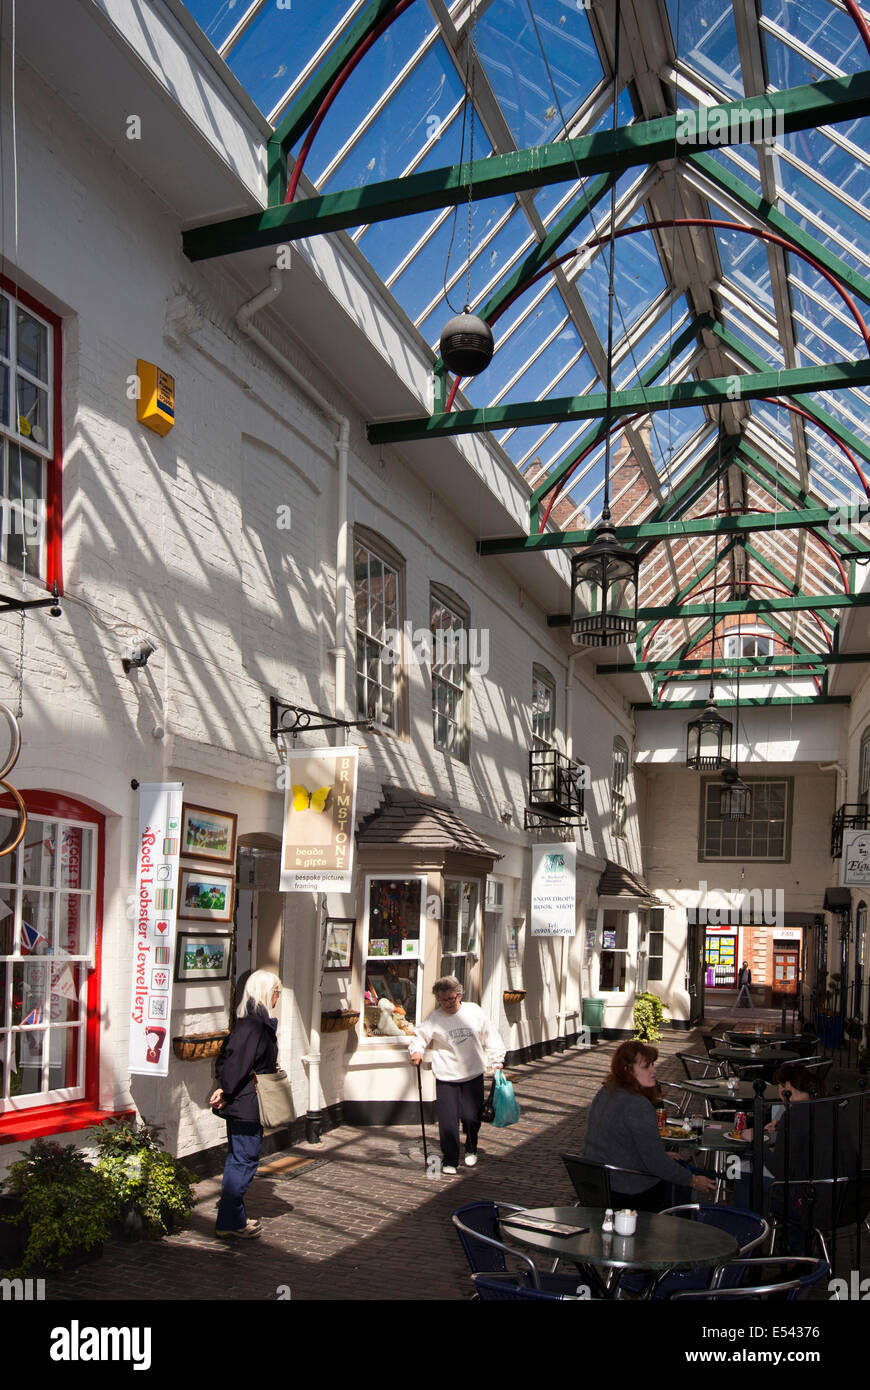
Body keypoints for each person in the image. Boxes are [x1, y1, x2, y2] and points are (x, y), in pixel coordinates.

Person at [582, 1040, 716, 1212]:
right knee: (679, 1183)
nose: (654, 1070)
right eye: (646, 1067)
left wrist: (660, 1154)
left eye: (652, 1064)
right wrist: (694, 1180)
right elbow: (657, 1164)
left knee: (675, 1168)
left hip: (596, 1185)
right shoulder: (638, 1105)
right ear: (627, 1070)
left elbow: (614, 1143)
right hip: (627, 1191)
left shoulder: (606, 1092)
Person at [744, 1061, 858, 1249]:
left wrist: (757, 1141)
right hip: (844, 1197)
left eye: (780, 1087)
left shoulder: (795, 1114)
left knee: (745, 1177)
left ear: (787, 1087)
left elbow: (780, 1170)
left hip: (811, 1202)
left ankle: (748, 1247)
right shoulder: (830, 1107)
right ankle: (794, 1242)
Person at [209, 969, 281, 1238]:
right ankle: (229, 1221)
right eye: (276, 992)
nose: (277, 997)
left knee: (240, 1158)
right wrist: (225, 1090)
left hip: (244, 1101)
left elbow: (231, 1059)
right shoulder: (253, 1025)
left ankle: (232, 1219)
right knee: (245, 1160)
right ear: (266, 992)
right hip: (246, 1103)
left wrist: (224, 1089)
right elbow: (237, 1062)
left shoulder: (252, 1022)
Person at [408, 975, 505, 1174]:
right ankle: (450, 1159)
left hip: (472, 1073)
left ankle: (471, 1147)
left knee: (471, 1117)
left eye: (451, 998)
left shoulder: (474, 1012)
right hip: (446, 1075)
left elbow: (490, 1036)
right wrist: (417, 1051)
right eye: (442, 1000)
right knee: (447, 1120)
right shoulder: (435, 1017)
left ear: (459, 995)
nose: (447, 1004)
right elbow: (420, 1036)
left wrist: (497, 1060)